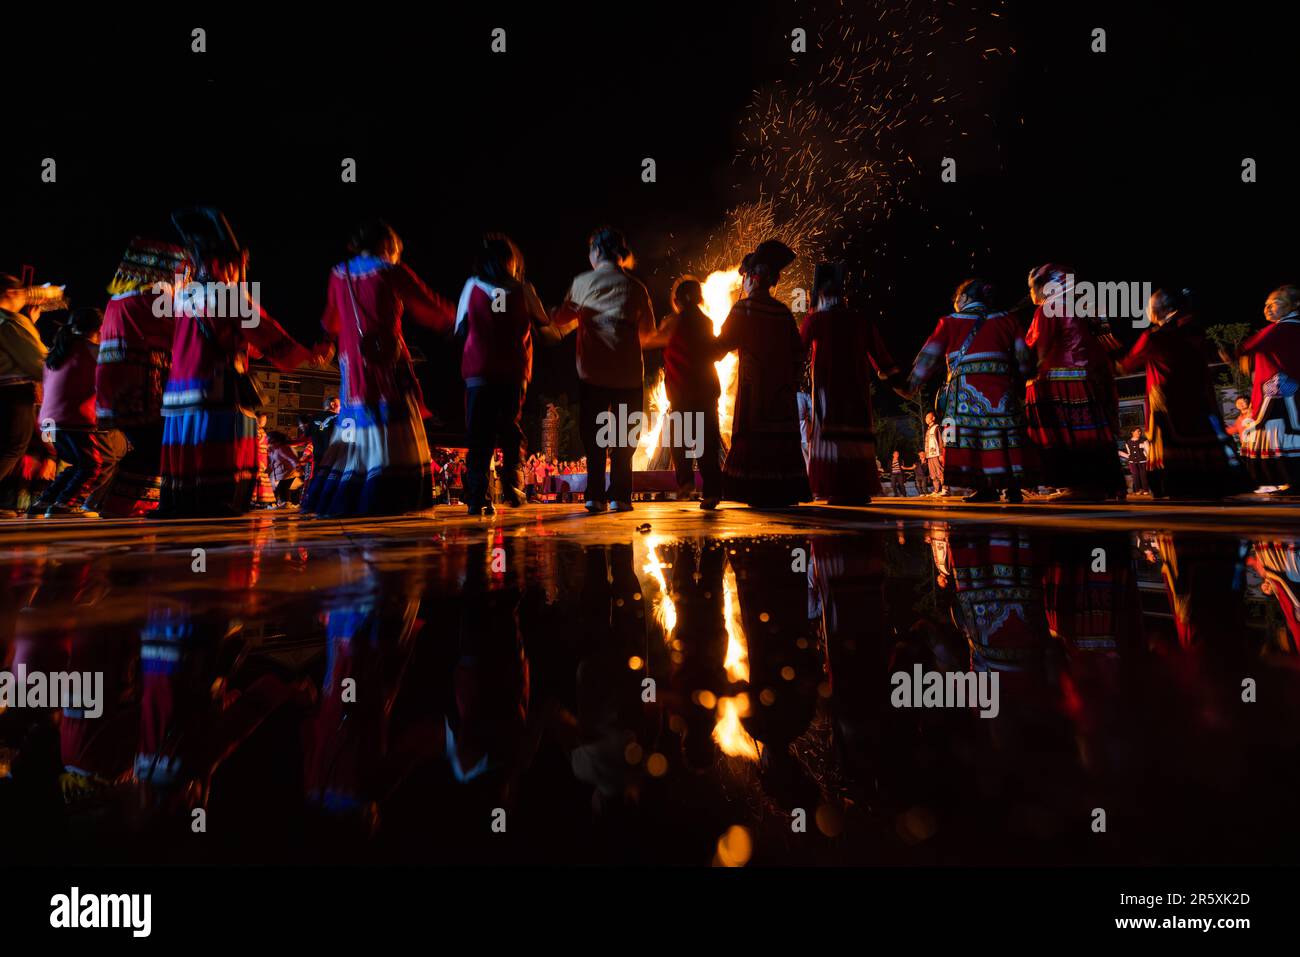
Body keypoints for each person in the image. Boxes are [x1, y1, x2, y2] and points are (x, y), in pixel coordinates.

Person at [157, 208, 330, 517]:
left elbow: (218, 340)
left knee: (187, 456)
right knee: (222, 453)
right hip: (215, 391)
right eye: (237, 265)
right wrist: (308, 354)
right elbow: (266, 334)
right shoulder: (229, 296)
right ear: (220, 264)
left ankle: (183, 505)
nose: (240, 272)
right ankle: (217, 507)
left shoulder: (181, 298)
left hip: (178, 395)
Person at [304, 219, 454, 517]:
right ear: (388, 246)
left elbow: (330, 320)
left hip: (352, 362)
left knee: (355, 419)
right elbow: (428, 305)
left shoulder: (339, 273)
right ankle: (389, 494)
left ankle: (345, 494)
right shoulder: (390, 270)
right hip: (385, 357)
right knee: (391, 419)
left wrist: (327, 343)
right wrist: (459, 318)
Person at [551, 227, 657, 513]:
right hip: (628, 375)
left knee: (594, 436)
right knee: (625, 437)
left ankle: (595, 495)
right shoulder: (636, 287)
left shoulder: (583, 282)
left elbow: (561, 318)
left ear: (596, 252)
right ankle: (621, 495)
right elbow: (648, 333)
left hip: (593, 374)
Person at [899, 279, 1033, 503]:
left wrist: (911, 385)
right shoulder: (1007, 320)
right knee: (1004, 436)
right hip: (1002, 393)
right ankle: (1012, 488)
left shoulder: (950, 322)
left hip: (966, 394)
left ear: (964, 298)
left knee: (972, 439)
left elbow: (928, 357)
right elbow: (1025, 359)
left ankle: (984, 488)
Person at [1116, 288, 1249, 498]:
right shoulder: (1194, 330)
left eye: (1149, 306)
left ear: (1159, 309)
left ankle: (1178, 484)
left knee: (1173, 439)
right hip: (1199, 397)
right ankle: (1214, 482)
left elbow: (1126, 366)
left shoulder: (1154, 337)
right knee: (1203, 434)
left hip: (1168, 398)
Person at [455, 233, 552, 516]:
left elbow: (459, 327)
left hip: (479, 370)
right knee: (510, 428)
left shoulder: (471, 286)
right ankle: (513, 486)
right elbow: (545, 325)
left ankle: (478, 496)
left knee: (479, 434)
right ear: (512, 262)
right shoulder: (523, 288)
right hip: (513, 371)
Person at [713, 240, 811, 507]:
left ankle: (754, 489)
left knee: (754, 438)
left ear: (752, 279)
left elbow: (720, 347)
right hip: (781, 398)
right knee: (779, 441)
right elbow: (799, 355)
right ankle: (782, 490)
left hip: (754, 394)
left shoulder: (743, 309)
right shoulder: (783, 313)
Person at [95, 238, 188, 517]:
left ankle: (118, 505)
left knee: (151, 446)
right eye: (181, 271)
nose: (184, 279)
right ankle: (120, 507)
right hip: (142, 387)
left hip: (120, 387)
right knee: (155, 447)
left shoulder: (118, 300)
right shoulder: (154, 300)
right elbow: (184, 334)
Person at [1023, 264, 1126, 502]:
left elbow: (1038, 345)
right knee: (1089, 434)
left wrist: (1020, 364)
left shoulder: (1048, 309)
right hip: (1085, 381)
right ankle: (1103, 486)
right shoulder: (1082, 308)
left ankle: (1079, 488)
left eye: (1032, 287)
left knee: (1067, 434)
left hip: (1059, 384)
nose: (1030, 293)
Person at [799, 267, 901, 505]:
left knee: (831, 439)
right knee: (856, 439)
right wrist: (899, 382)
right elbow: (882, 358)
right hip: (857, 394)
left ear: (819, 298)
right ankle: (858, 487)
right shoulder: (860, 318)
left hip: (828, 391)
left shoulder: (815, 320)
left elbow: (797, 352)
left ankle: (833, 487)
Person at [28, 307, 127, 517]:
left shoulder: (57, 351)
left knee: (79, 464)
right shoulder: (94, 350)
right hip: (74, 420)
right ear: (101, 327)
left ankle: (43, 502)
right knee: (95, 464)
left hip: (47, 422)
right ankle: (66, 504)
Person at [640, 276, 724, 509]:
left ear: (678, 300)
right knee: (707, 444)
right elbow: (714, 352)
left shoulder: (672, 323)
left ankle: (686, 482)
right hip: (707, 392)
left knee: (678, 442)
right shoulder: (707, 322)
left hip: (681, 393)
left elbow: (649, 340)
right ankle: (712, 493)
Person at [1231, 285, 1300, 493]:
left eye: (1275, 302)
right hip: (1288, 393)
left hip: (1280, 394)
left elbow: (1246, 346)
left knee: (1279, 435)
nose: (1268, 308)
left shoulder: (1279, 329)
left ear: (1295, 304)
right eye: (1266, 304)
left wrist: (1241, 354)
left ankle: (1291, 480)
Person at [0, 275, 50, 517]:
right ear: (10, 293)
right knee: (13, 446)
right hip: (13, 392)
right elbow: (36, 361)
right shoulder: (11, 321)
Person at [266, 430, 302, 506]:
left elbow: (293, 458)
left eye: (268, 439)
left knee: (282, 489)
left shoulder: (283, 448)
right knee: (280, 490)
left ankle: (286, 504)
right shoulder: (273, 449)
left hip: (288, 473)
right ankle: (284, 504)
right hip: (281, 474)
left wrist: (297, 467)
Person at [252, 413, 276, 507]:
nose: (264, 422)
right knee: (258, 477)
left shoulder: (261, 430)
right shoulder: (256, 430)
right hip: (258, 456)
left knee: (261, 477)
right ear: (257, 419)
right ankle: (256, 499)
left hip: (263, 456)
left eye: (265, 420)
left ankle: (261, 499)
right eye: (263, 419)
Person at [922, 411, 948, 495]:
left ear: (933, 418)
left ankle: (945, 489)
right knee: (933, 474)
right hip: (930, 455)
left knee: (940, 472)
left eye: (928, 417)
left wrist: (941, 454)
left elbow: (941, 441)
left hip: (936, 454)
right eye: (925, 418)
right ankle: (936, 489)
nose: (926, 419)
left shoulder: (937, 428)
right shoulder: (928, 430)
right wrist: (926, 455)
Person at [1120, 428, 1151, 495]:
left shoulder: (1144, 441)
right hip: (1132, 461)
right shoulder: (1128, 442)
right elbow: (1129, 452)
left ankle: (1145, 490)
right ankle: (1137, 490)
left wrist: (1147, 459)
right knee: (1135, 476)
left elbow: (1148, 451)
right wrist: (1127, 457)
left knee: (1143, 476)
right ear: (1132, 432)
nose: (1139, 433)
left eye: (1140, 431)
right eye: (1137, 431)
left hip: (1142, 461)